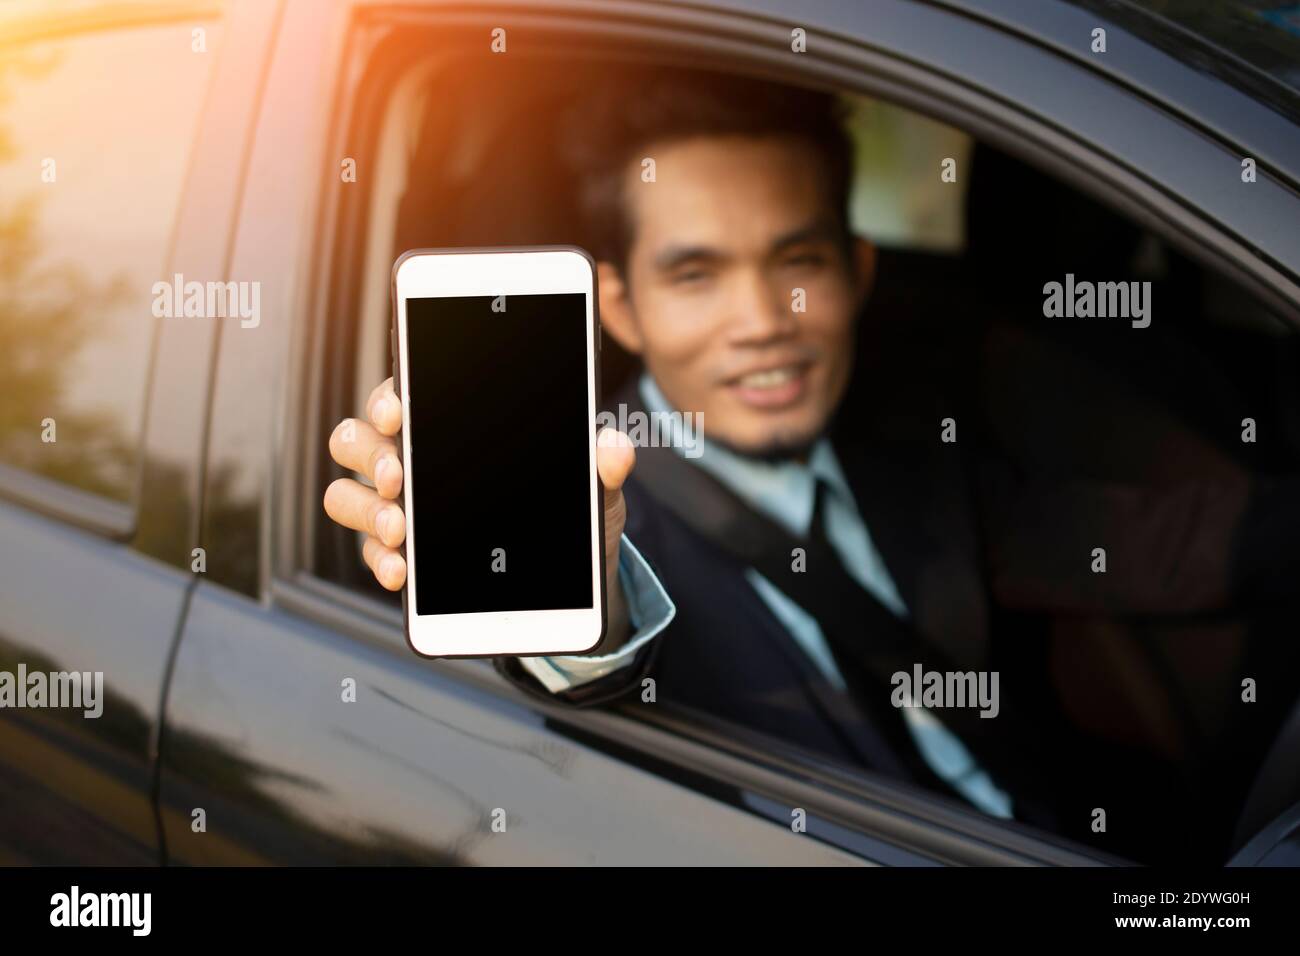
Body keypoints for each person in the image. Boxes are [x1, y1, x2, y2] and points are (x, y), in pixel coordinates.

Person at [322, 72, 1300, 861]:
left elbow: (1147, 540)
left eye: (798, 262)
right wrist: (573, 596)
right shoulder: (599, 507)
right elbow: (594, 657)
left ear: (858, 273)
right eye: (695, 273)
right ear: (618, 308)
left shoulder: (912, 452)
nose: (760, 323)